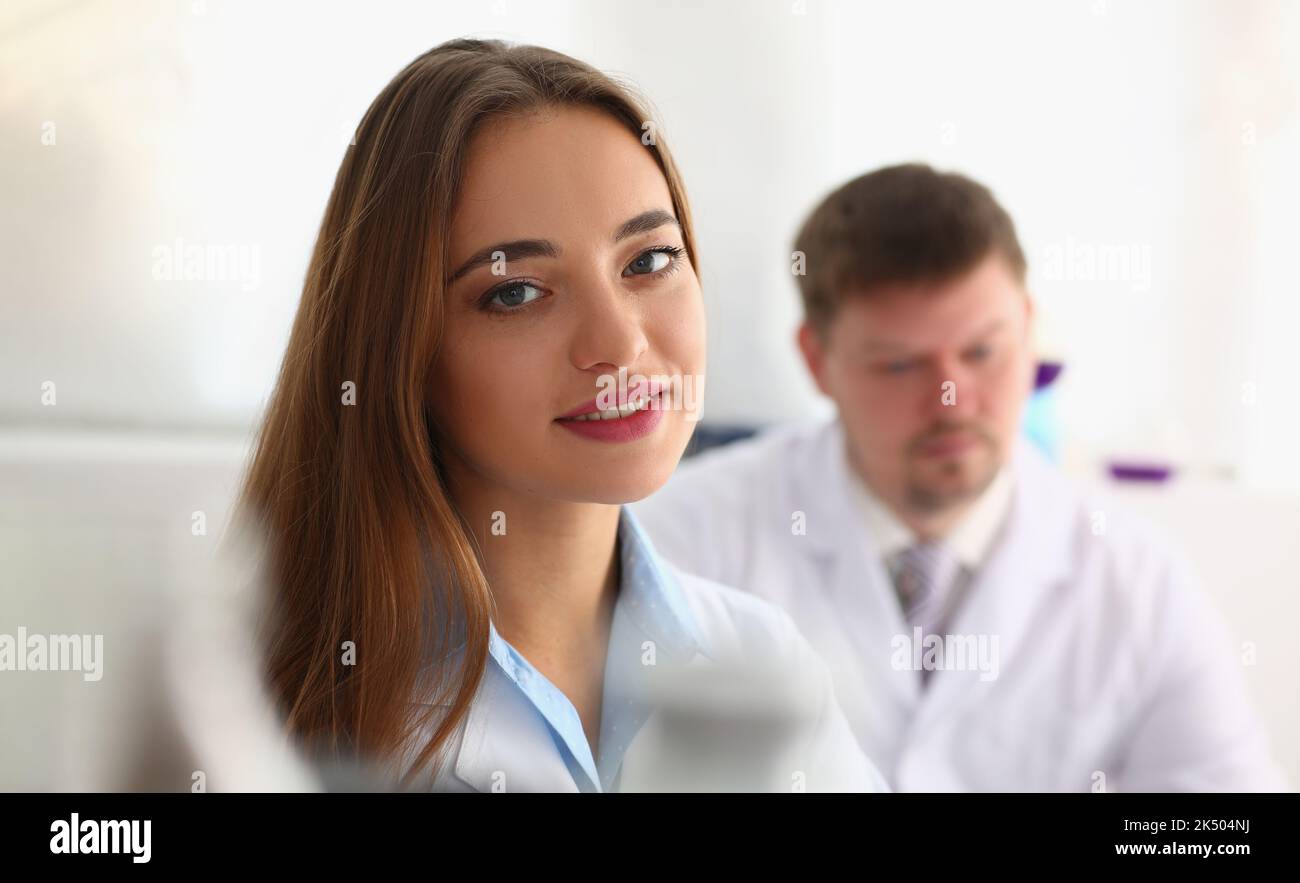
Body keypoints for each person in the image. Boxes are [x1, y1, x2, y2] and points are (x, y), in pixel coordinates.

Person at [235, 38, 887, 793]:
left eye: (648, 261)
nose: (620, 343)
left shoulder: (763, 659)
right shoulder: (269, 702)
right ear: (397, 348)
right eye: (515, 292)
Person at [633, 163, 1288, 792]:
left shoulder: (1137, 582)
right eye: (898, 365)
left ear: (1029, 329)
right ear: (817, 359)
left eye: (981, 351)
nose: (951, 398)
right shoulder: (679, 539)